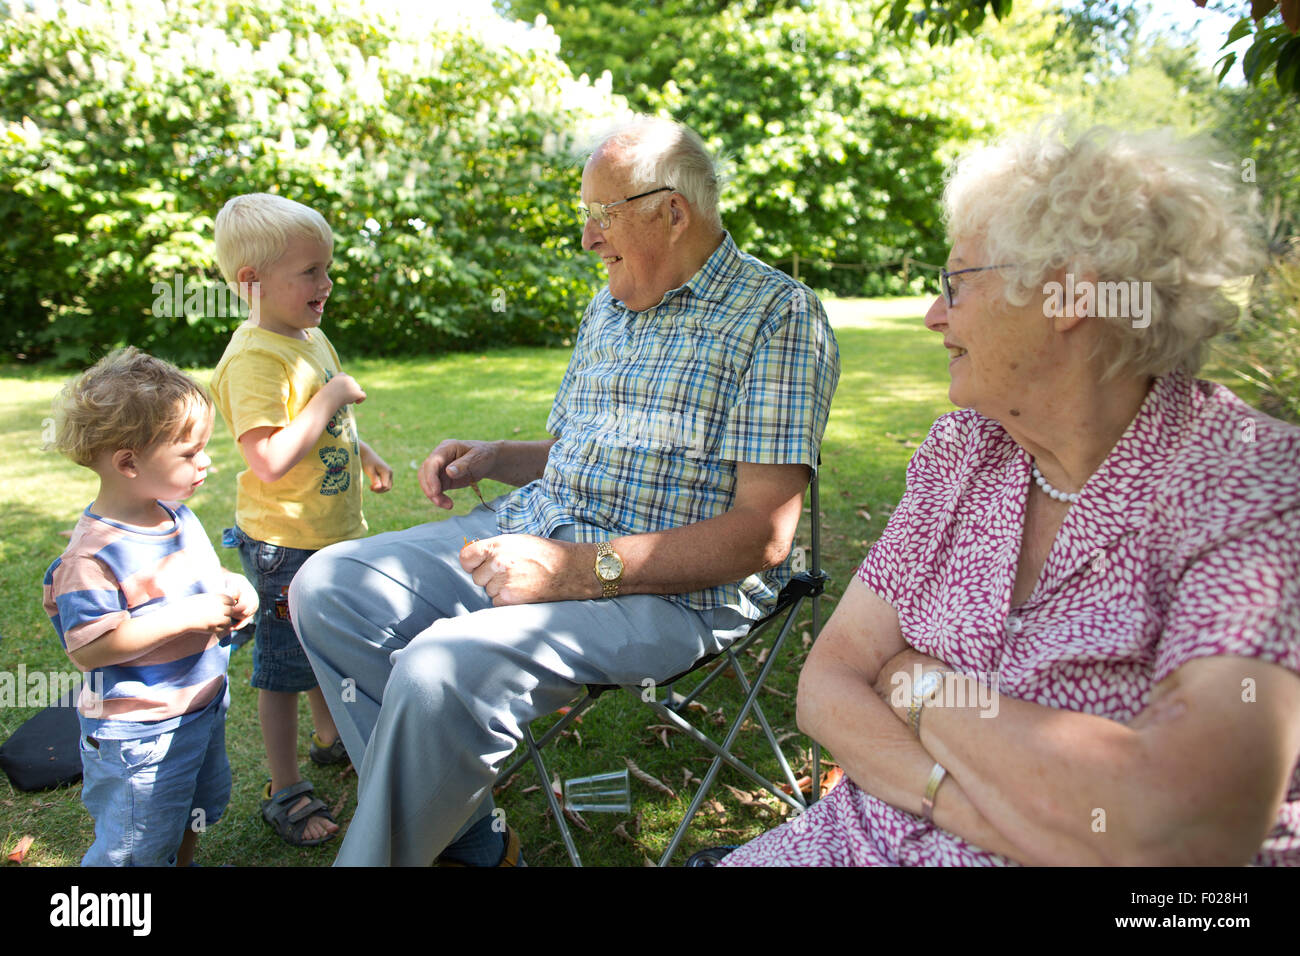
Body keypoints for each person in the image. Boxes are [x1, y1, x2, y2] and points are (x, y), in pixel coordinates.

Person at [721, 123, 1300, 867]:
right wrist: (958, 804)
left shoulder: (1245, 483)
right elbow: (827, 684)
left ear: (1068, 294)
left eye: (955, 282)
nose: (935, 315)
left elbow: (1183, 826)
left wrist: (917, 683)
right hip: (854, 842)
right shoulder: (965, 451)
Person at [289, 116, 841, 866]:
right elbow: (581, 452)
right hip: (535, 526)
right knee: (328, 584)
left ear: (671, 212)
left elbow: (761, 535)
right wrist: (496, 456)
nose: (588, 238)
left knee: (439, 667)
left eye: (600, 215)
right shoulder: (608, 307)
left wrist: (576, 571)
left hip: (671, 594)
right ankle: (466, 836)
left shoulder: (777, 316)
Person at [210, 193, 394, 847]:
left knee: (328, 643)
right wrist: (332, 394)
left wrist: (362, 449)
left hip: (330, 531)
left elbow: (325, 425)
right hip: (284, 542)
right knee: (284, 665)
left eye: (327, 268)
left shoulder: (309, 337)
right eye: (310, 272)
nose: (327, 284)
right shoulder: (254, 360)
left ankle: (328, 738)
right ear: (252, 284)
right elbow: (268, 459)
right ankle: (285, 788)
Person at [43, 348, 257, 866]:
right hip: (141, 734)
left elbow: (204, 580)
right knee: (136, 845)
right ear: (128, 463)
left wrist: (235, 587)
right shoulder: (91, 557)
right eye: (189, 452)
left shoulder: (177, 517)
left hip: (199, 707)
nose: (206, 460)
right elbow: (91, 650)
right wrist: (187, 616)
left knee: (188, 812)